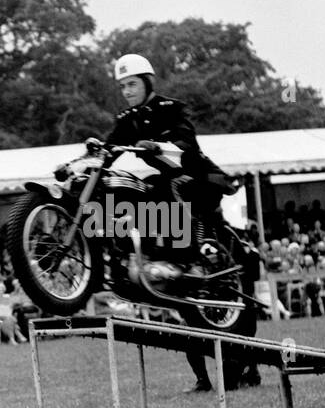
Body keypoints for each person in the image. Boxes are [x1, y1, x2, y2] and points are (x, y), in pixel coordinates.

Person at [101, 54, 235, 272]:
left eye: (132, 84)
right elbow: (109, 149)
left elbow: (188, 142)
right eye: (123, 86)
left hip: (199, 176)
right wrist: (83, 163)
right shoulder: (128, 120)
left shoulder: (171, 108)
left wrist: (158, 145)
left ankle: (183, 257)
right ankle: (142, 254)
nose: (127, 91)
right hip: (166, 177)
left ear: (147, 82)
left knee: (167, 185)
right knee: (138, 189)